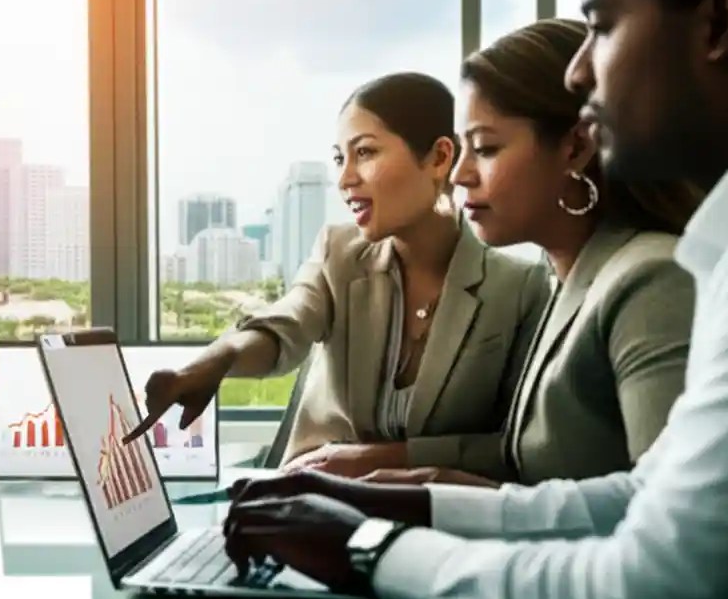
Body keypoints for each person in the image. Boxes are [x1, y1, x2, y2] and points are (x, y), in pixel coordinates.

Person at [221, 0, 728, 599]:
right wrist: (401, 497)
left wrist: (366, 545)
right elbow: (641, 494)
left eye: (601, 25)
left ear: (720, 21)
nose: (580, 71)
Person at [129, 73, 550, 482]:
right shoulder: (339, 253)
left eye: (365, 153)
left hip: (442, 524)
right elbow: (286, 325)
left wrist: (381, 459)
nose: (345, 178)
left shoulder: (519, 288)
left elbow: (515, 446)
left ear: (439, 158)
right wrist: (218, 360)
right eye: (339, 158)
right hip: (312, 505)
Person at [360, 18, 702, 490]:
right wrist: (381, 463)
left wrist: (430, 500)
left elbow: (665, 517)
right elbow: (531, 454)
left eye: (485, 148)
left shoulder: (651, 281)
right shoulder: (563, 274)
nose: (459, 175)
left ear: (576, 146)